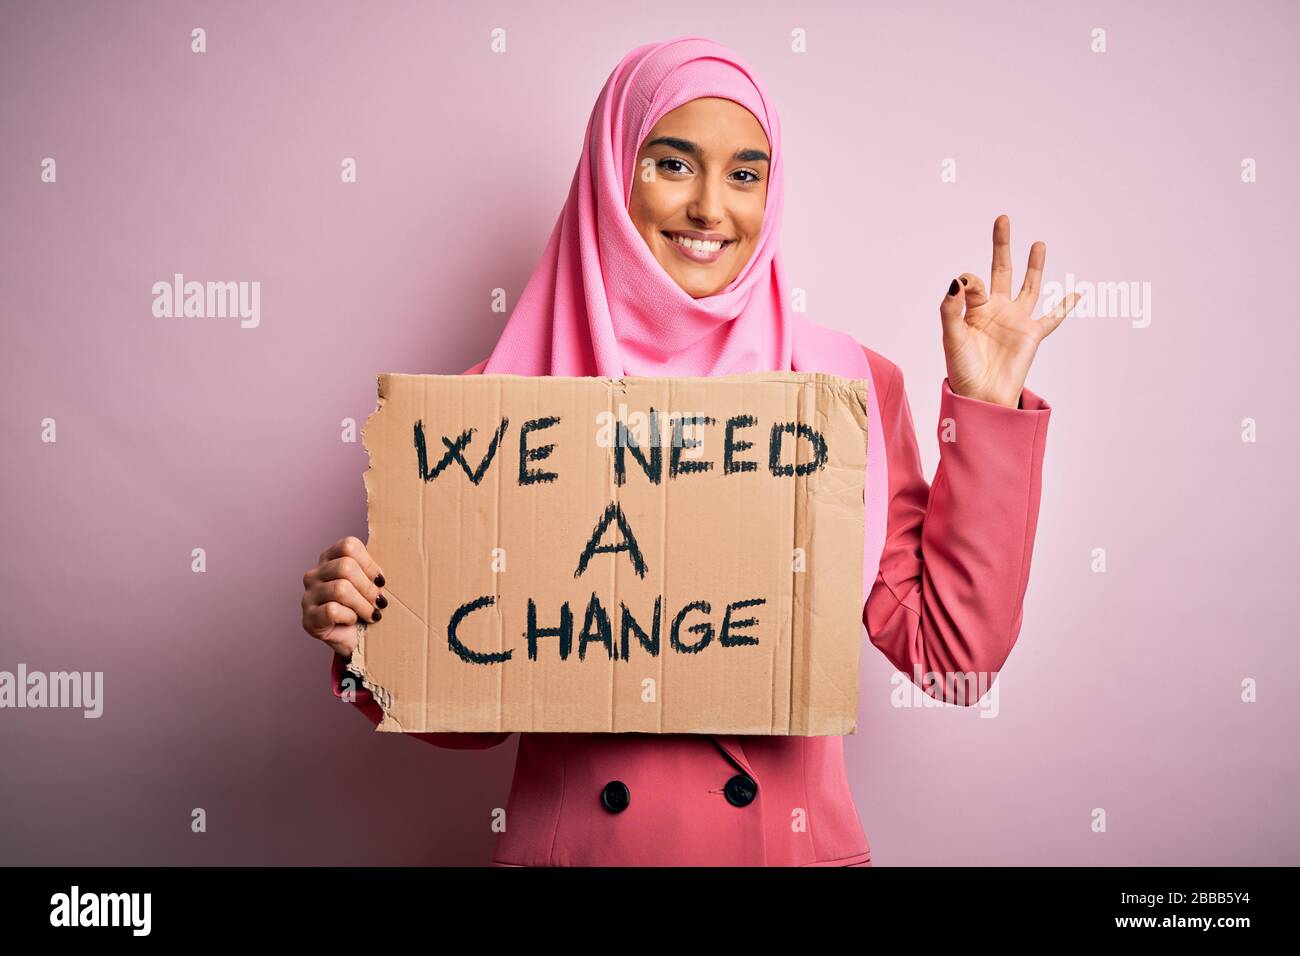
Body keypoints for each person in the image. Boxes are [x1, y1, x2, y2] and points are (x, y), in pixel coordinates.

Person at [299, 36, 1076, 866]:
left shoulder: (844, 385)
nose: (712, 208)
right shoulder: (491, 408)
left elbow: (951, 654)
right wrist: (366, 638)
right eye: (673, 164)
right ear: (611, 171)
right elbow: (471, 711)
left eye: (745, 174)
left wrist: (985, 408)